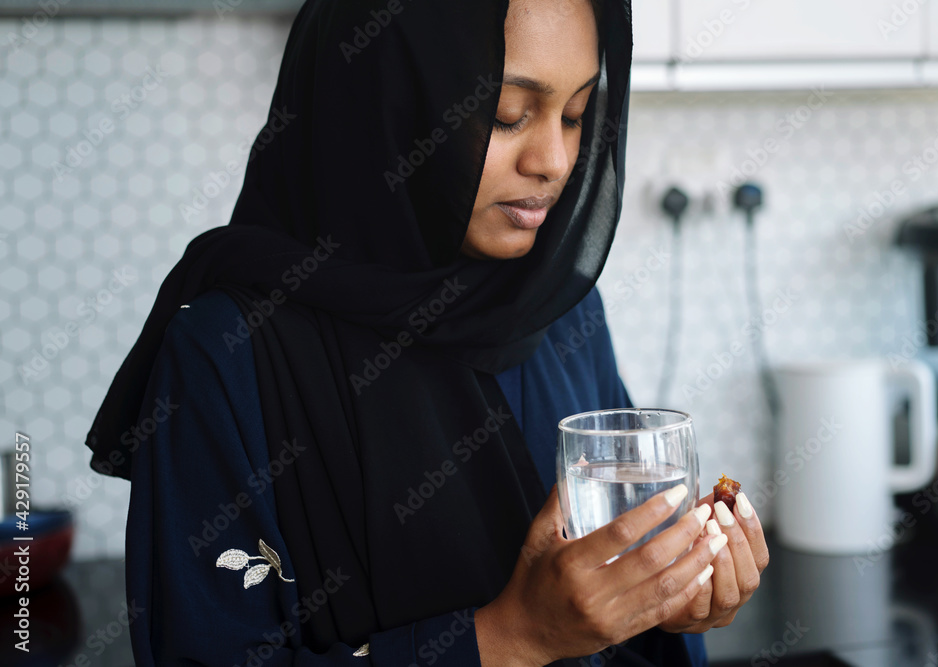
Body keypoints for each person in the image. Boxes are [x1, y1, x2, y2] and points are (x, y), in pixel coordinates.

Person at [84, 0, 769, 664]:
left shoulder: (559, 309)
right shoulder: (226, 351)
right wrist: (512, 637)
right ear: (386, 105)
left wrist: (663, 600)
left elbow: (603, 599)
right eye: (506, 115)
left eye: (576, 114)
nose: (554, 160)